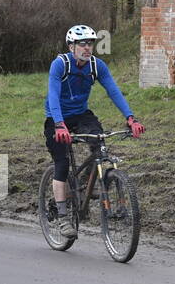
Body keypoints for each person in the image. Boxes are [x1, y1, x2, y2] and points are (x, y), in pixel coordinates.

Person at [44, 24, 145, 237]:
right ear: (71, 46)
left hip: (81, 115)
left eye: (90, 43)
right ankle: (63, 218)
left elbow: (114, 91)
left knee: (100, 145)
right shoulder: (60, 64)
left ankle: (84, 185)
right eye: (82, 44)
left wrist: (130, 118)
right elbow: (53, 95)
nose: (87, 48)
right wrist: (59, 124)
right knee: (62, 163)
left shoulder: (96, 66)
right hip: (57, 117)